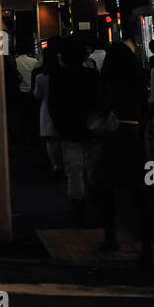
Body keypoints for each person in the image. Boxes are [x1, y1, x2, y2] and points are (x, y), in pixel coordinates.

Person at [94, 43, 154, 262]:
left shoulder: (107, 82)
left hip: (113, 138)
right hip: (136, 138)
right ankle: (147, 246)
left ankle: (111, 237)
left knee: (104, 189)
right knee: (141, 195)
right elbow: (146, 107)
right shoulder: (137, 81)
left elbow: (100, 108)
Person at [45, 35, 106, 225]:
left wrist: (60, 124)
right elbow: (100, 100)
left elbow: (53, 104)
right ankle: (100, 205)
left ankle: (78, 208)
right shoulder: (92, 75)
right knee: (93, 168)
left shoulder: (58, 76)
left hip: (68, 129)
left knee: (73, 170)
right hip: (91, 127)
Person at [32, 44, 63, 177]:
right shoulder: (62, 74)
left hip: (45, 108)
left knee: (49, 139)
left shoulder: (40, 76)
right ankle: (61, 163)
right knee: (59, 138)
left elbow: (37, 94)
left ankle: (54, 164)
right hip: (60, 107)